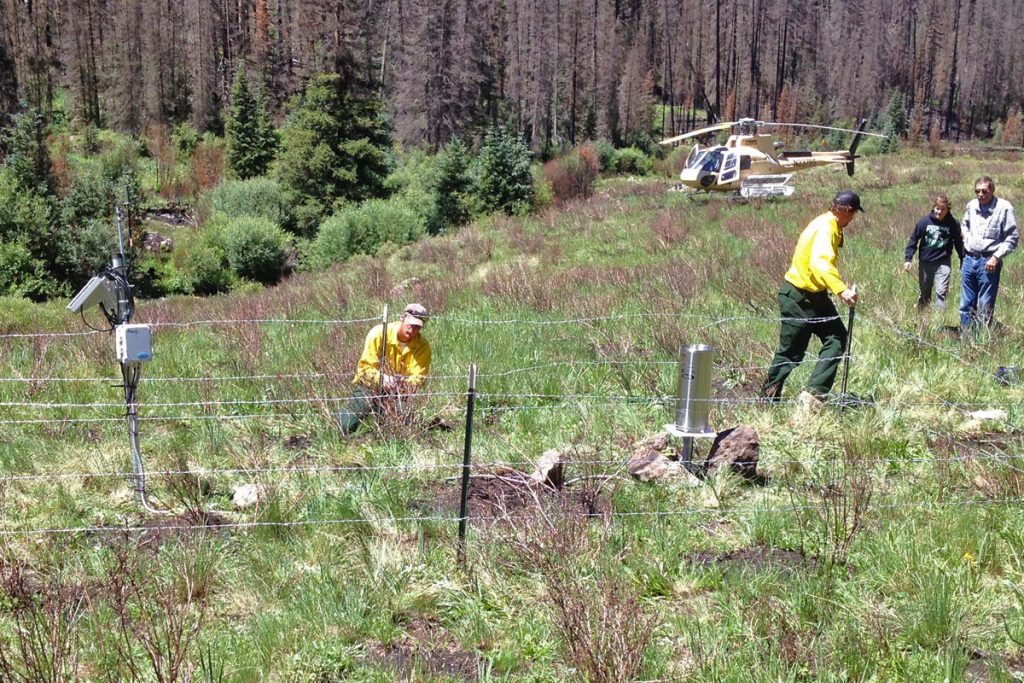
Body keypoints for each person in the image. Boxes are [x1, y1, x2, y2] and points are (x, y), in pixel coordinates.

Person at [762, 190, 861, 404]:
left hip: (817, 296)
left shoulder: (828, 223)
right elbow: (820, 264)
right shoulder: (826, 227)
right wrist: (841, 289)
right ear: (846, 210)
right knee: (791, 355)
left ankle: (813, 396)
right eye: (853, 214)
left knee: (836, 337)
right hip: (798, 296)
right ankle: (766, 401)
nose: (852, 219)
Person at [336, 303, 432, 434]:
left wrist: (399, 384)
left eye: (417, 327)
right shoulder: (379, 333)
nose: (413, 330)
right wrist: (382, 379)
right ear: (402, 318)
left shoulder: (422, 346)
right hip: (370, 387)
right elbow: (364, 370)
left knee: (404, 429)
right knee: (345, 426)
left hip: (398, 393)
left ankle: (383, 418)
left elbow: (419, 378)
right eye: (410, 324)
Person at [959, 176, 1018, 331]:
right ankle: (967, 338)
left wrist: (996, 257)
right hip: (969, 259)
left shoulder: (1004, 208)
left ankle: (982, 340)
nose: (980, 194)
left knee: (985, 304)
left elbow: (1012, 237)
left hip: (989, 262)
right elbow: (964, 224)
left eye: (984, 191)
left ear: (992, 190)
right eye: (977, 191)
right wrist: (966, 237)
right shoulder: (971, 206)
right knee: (966, 304)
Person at [903, 194, 964, 310]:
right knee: (925, 292)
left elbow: (958, 242)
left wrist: (962, 258)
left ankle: (938, 322)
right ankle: (922, 317)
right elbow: (913, 240)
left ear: (948, 210)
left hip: (943, 262)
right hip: (925, 262)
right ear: (934, 207)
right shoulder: (924, 222)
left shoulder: (953, 223)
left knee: (941, 292)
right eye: (937, 208)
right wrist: (908, 259)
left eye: (943, 209)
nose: (939, 212)